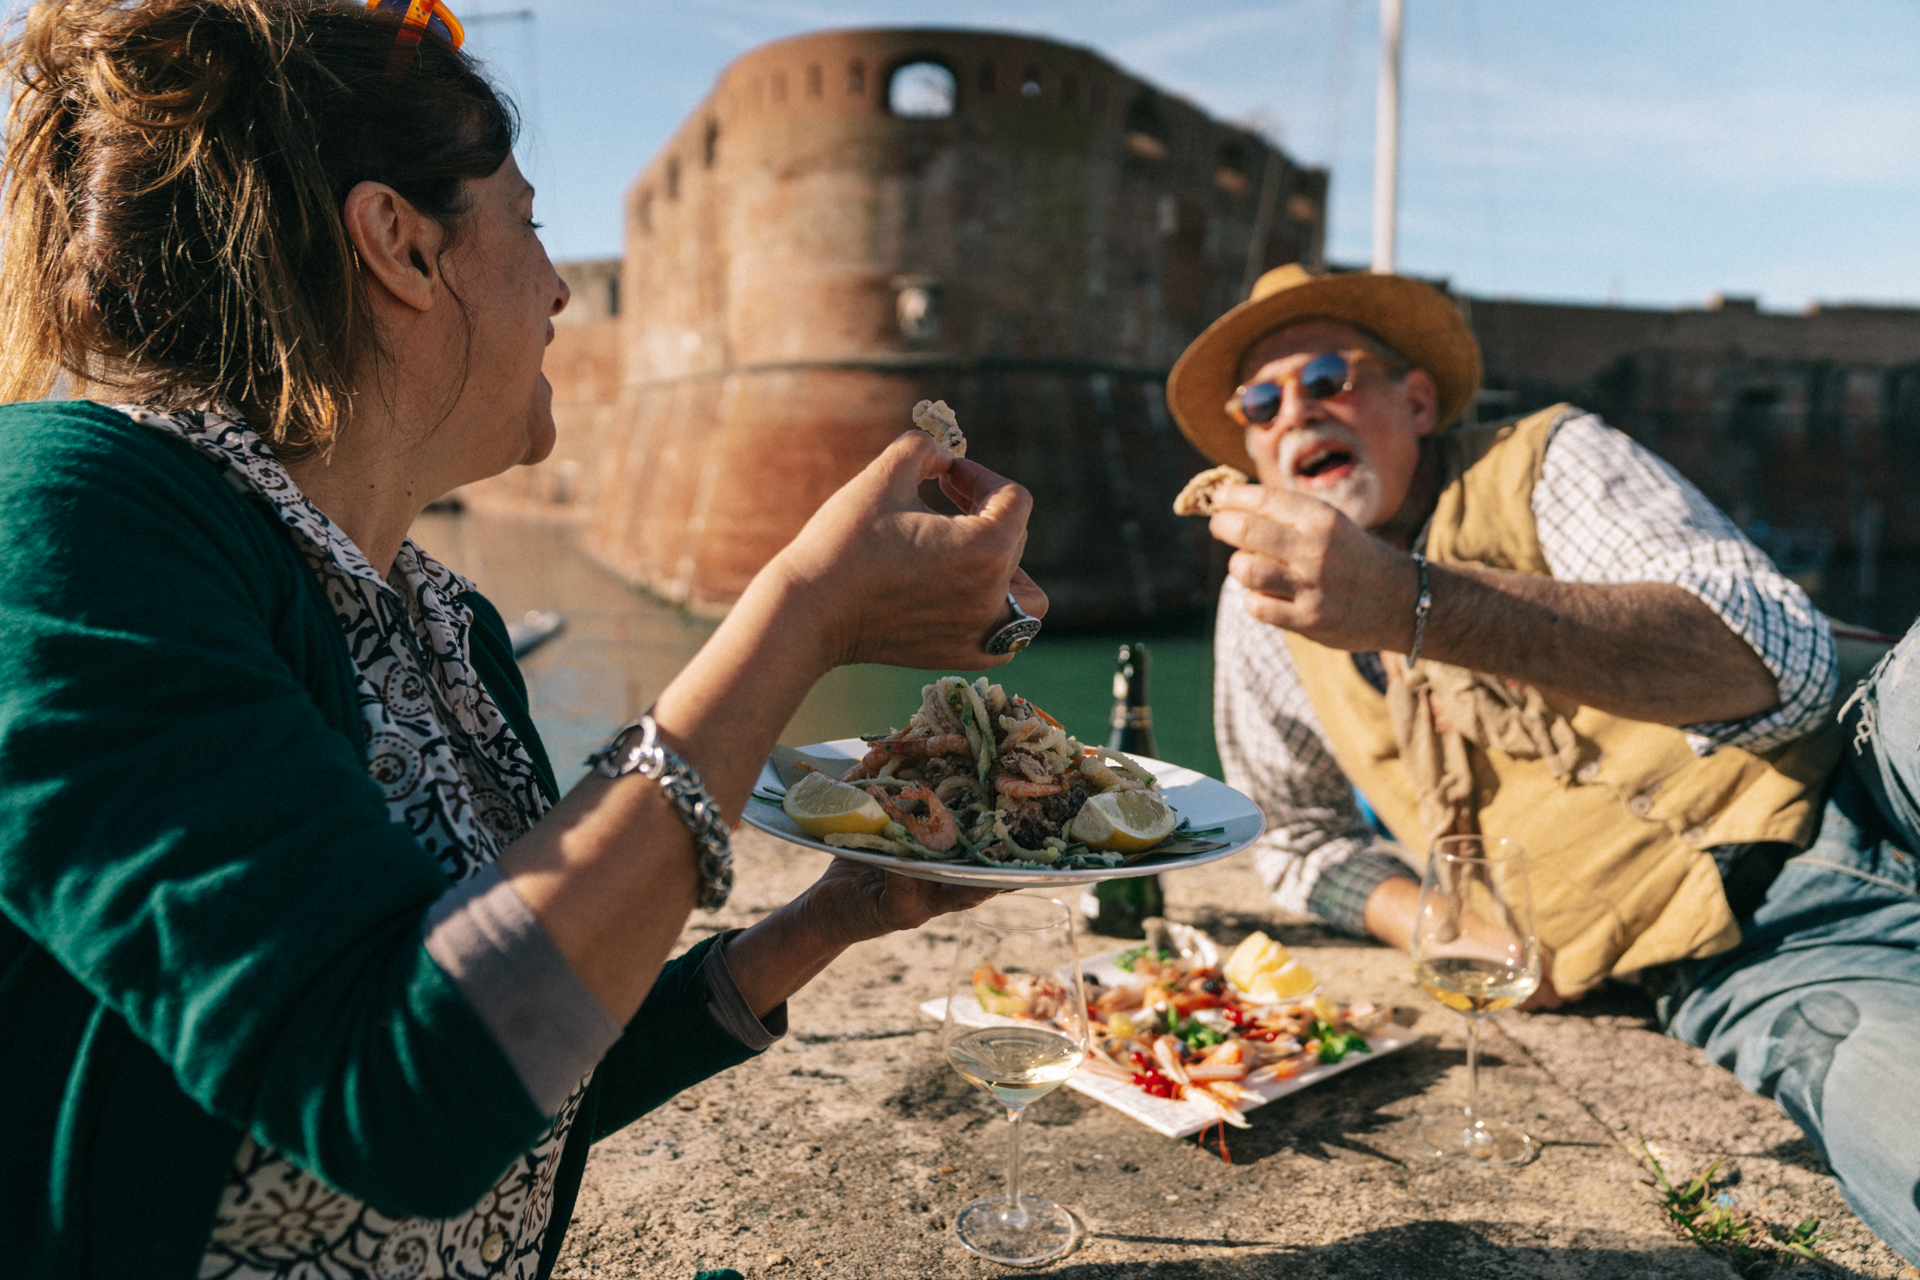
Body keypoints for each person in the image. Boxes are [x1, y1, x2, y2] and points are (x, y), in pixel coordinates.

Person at [0, 3, 1045, 1277]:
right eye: (531, 221)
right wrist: (805, 612)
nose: (560, 285)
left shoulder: (447, 623)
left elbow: (517, 1084)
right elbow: (401, 1096)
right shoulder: (64, 515)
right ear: (400, 243)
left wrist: (825, 919)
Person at [1166, 263, 1919, 1263]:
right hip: (1749, 964)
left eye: (1331, 378)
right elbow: (1298, 834)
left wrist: (1411, 600)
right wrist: (1440, 923)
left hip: (1874, 769)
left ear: (1417, 399)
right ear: (1253, 450)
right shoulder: (1257, 612)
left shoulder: (1550, 456)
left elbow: (1779, 659)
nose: (1294, 410)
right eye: (1260, 402)